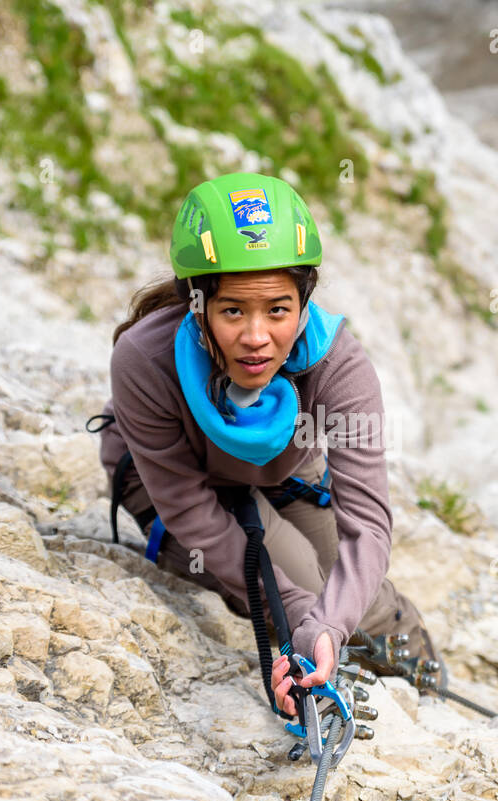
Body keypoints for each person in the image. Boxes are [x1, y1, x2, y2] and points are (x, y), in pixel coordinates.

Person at [95, 171, 444, 717]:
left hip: (284, 474)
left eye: (277, 310)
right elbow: (188, 507)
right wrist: (303, 618)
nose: (256, 337)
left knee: (363, 608)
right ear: (198, 305)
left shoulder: (338, 366)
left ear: (304, 305)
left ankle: (427, 683)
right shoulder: (145, 358)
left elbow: (368, 527)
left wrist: (327, 625)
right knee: (298, 589)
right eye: (233, 310)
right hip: (176, 483)